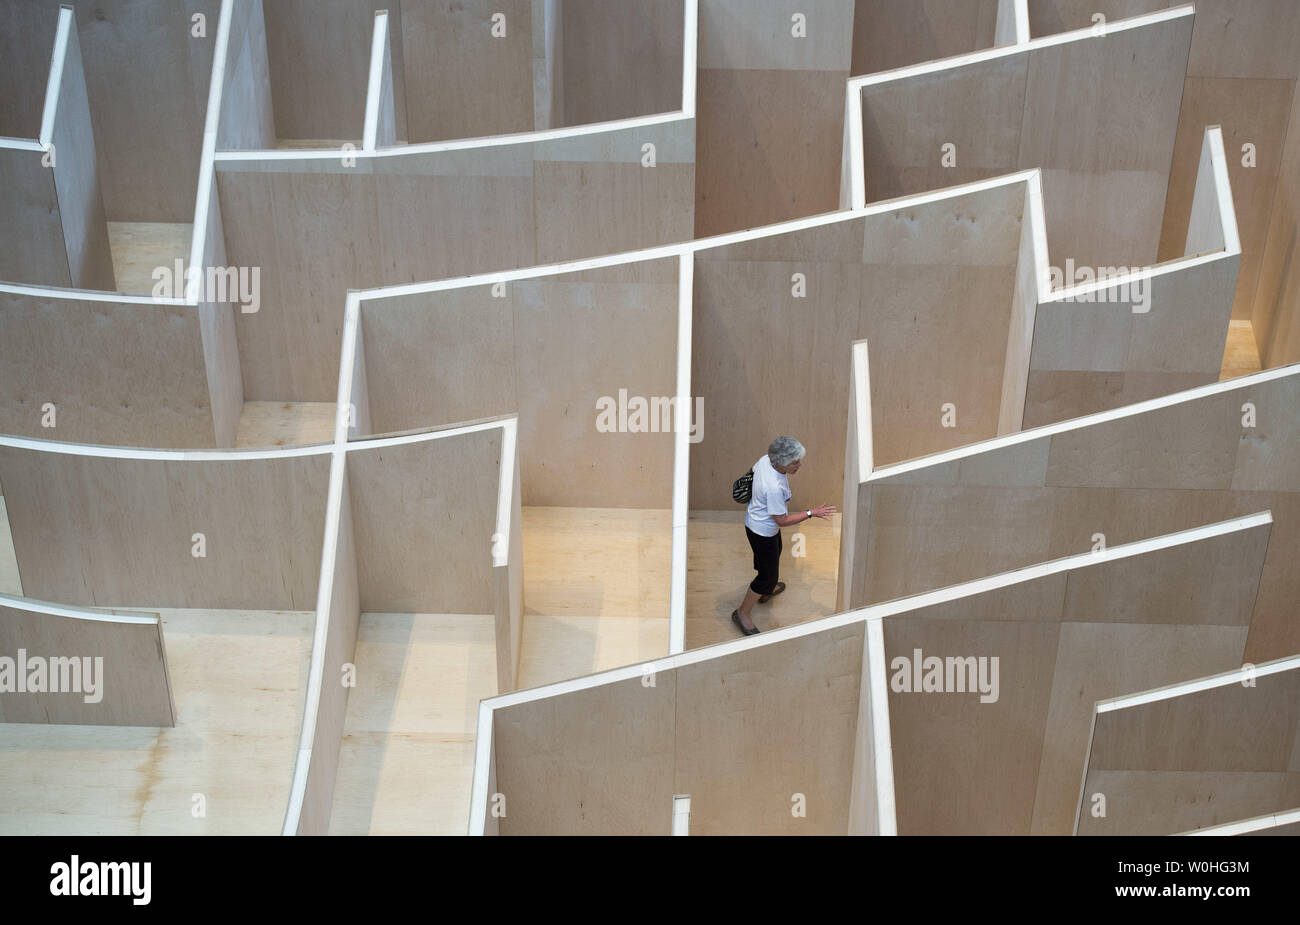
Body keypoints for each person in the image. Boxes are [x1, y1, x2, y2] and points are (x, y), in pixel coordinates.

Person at [732, 436, 835, 635]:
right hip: (762, 532)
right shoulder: (774, 488)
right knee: (767, 576)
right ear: (780, 462)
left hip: (761, 527)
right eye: (794, 462)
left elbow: (754, 475)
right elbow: (782, 520)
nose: (799, 465)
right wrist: (811, 513)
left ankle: (766, 590)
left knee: (775, 554)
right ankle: (742, 613)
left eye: (798, 460)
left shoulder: (765, 460)